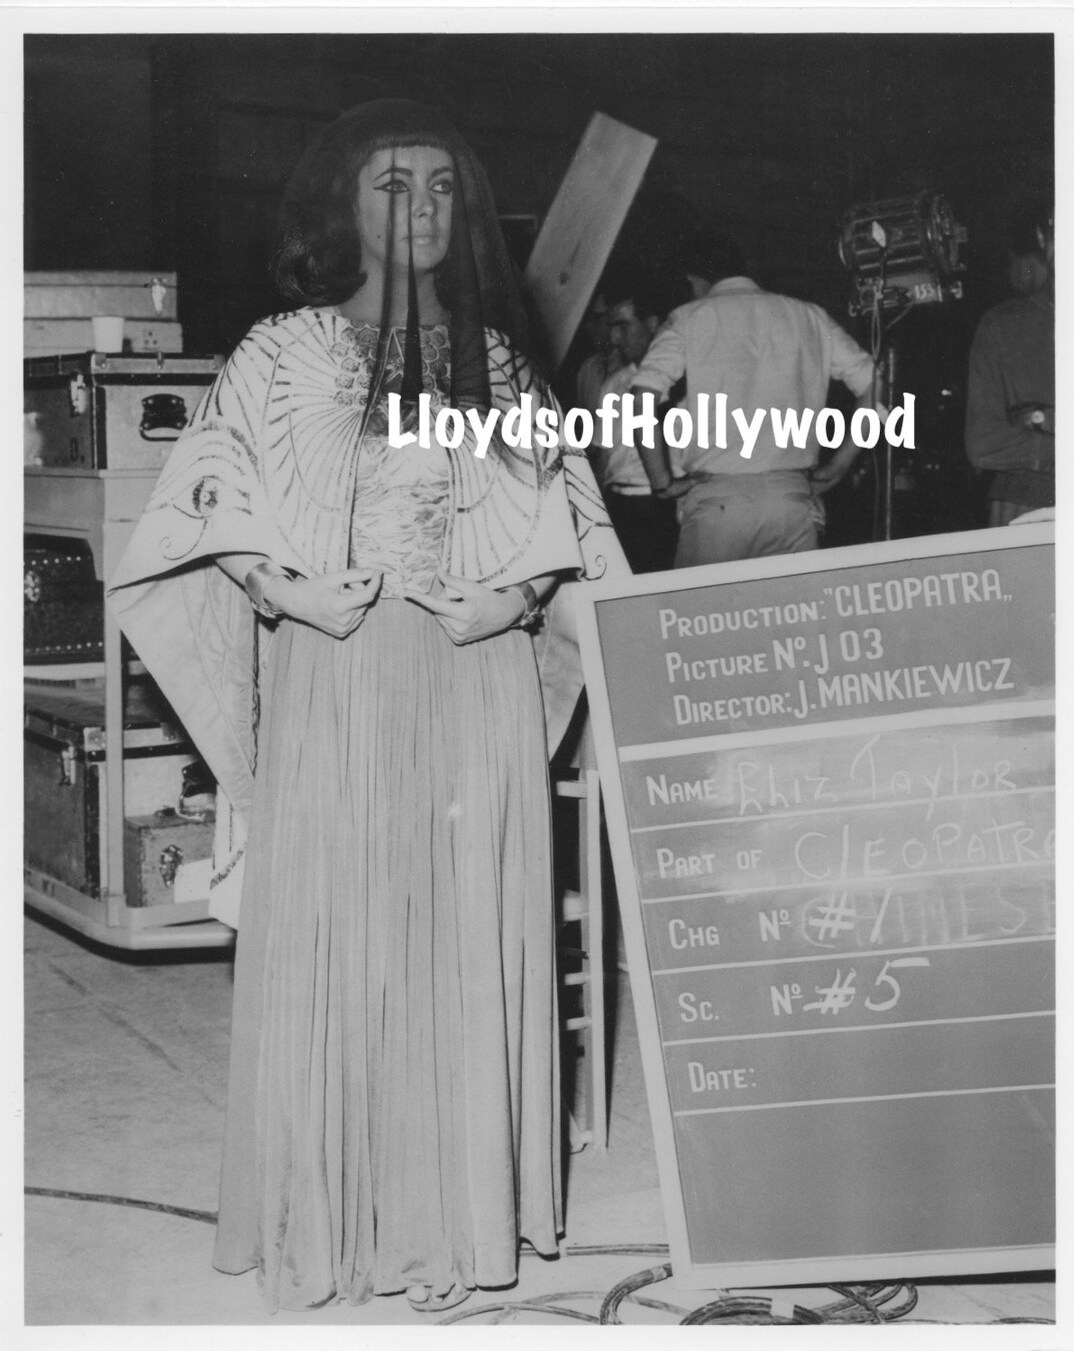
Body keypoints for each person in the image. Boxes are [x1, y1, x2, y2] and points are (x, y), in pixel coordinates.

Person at [108, 99, 624, 1315]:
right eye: (394, 186)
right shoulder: (282, 350)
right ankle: (334, 1221)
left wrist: (516, 600)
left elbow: (571, 529)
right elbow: (204, 507)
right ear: (343, 205)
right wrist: (278, 584)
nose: (424, 209)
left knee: (465, 929)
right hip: (336, 673)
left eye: (443, 187)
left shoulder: (498, 363)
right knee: (341, 930)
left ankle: (454, 1224)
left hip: (475, 677)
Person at [628, 231, 875, 567]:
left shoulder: (688, 318)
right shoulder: (810, 316)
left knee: (703, 617)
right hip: (794, 501)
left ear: (694, 279)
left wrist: (662, 483)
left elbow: (641, 401)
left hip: (719, 506)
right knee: (793, 614)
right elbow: (874, 385)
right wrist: (841, 462)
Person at [965, 205, 1054, 525]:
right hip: (1027, 507)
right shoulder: (1003, 325)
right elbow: (983, 445)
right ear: (1045, 238)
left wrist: (1039, 419)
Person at [586, 275, 679, 572]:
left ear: (652, 324)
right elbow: (603, 452)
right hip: (620, 507)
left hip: (661, 504)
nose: (615, 338)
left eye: (624, 327)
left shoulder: (681, 382)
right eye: (612, 328)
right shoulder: (616, 383)